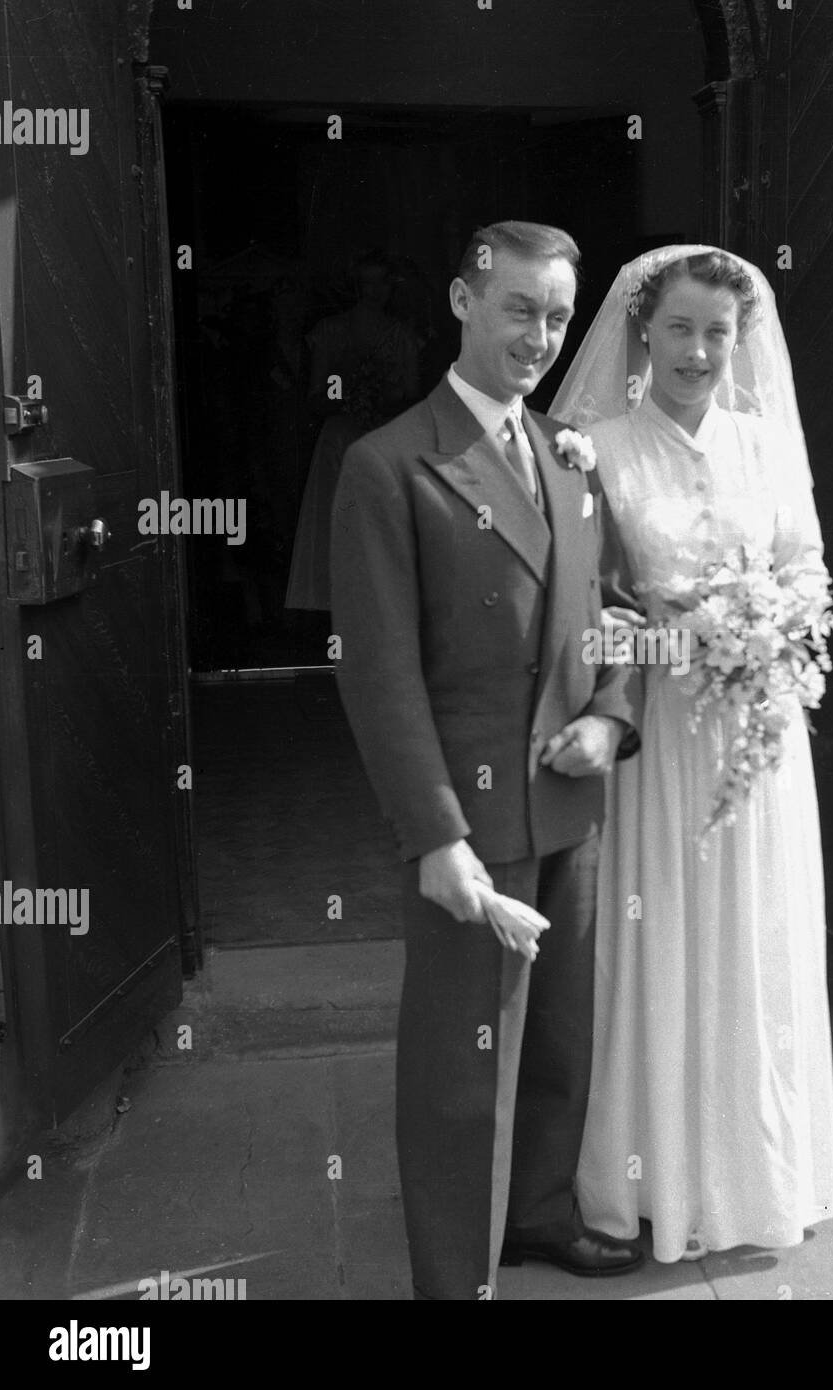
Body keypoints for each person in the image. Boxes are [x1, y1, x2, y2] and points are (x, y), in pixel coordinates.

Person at [329, 221, 645, 1300]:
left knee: (560, 1034)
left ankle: (539, 1215)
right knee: (464, 1068)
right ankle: (456, 1274)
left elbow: (616, 612)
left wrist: (610, 717)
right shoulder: (389, 465)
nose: (540, 337)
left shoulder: (567, 452)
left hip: (569, 802)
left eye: (557, 316)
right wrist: (433, 836)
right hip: (469, 821)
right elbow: (378, 673)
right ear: (463, 303)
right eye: (519, 309)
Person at [551, 245, 833, 1263]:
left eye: (717, 331)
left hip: (755, 741)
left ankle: (755, 1176)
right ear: (642, 330)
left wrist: (770, 628)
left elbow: (805, 571)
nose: (698, 350)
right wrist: (682, 639)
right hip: (657, 743)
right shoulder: (594, 449)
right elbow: (583, 615)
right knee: (660, 932)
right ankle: (649, 1176)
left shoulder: (766, 445)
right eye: (678, 327)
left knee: (750, 933)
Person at [286, 249, 421, 612]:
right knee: (340, 519)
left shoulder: (403, 336)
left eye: (382, 283)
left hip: (387, 437)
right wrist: (351, 394)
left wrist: (380, 400)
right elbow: (318, 395)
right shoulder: (332, 331)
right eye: (367, 283)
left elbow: (412, 396)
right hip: (342, 440)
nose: (374, 291)